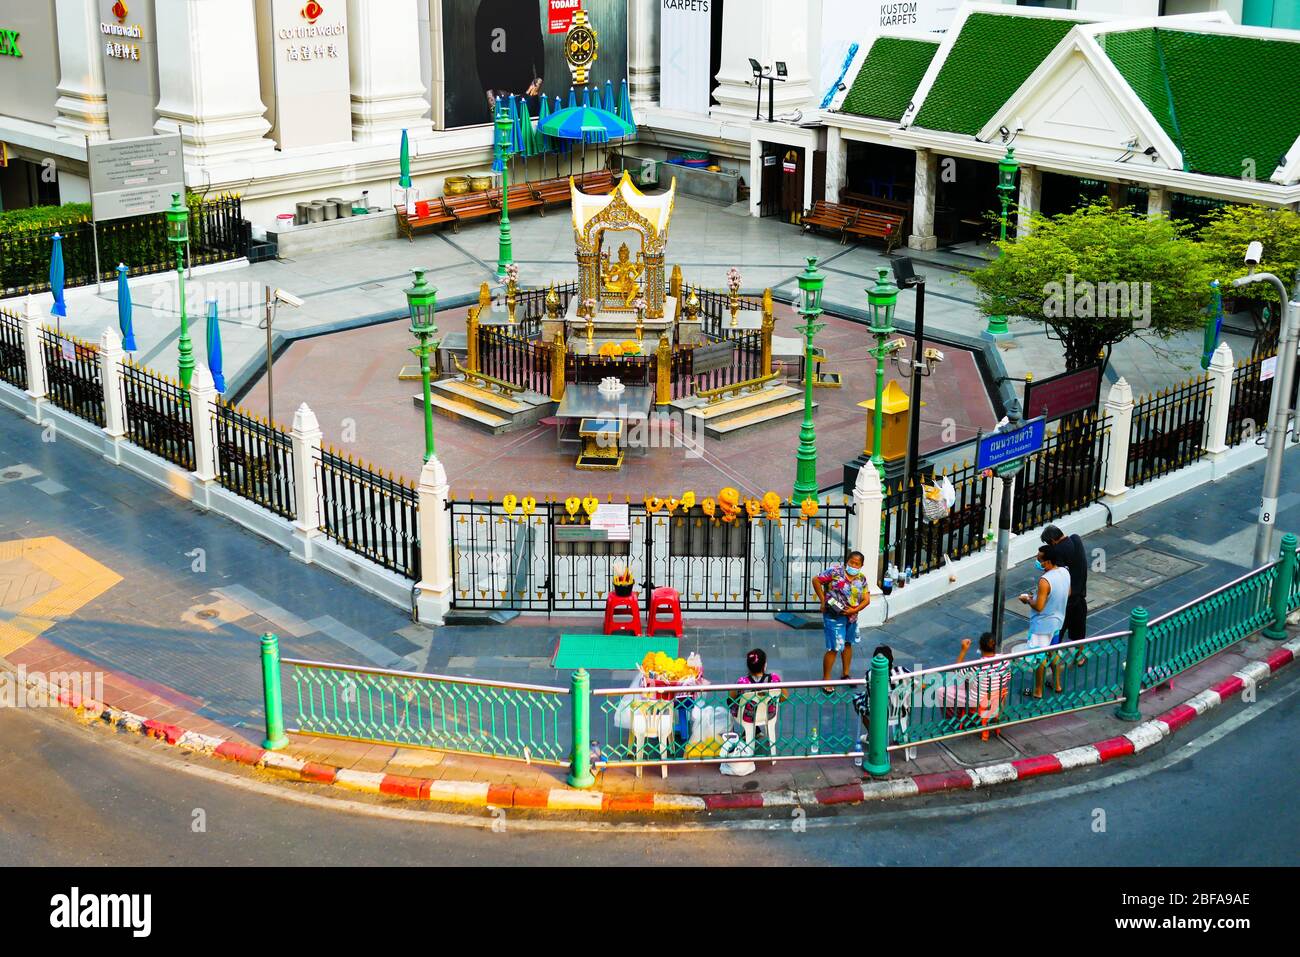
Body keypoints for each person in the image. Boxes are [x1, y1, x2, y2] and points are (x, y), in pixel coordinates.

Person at [813, 551, 871, 693]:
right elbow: (816, 580)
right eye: (851, 562)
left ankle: (845, 674)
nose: (853, 565)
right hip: (833, 616)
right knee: (834, 647)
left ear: (861, 565)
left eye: (857, 564)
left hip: (851, 618)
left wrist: (854, 610)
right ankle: (826, 680)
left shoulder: (861, 579)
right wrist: (822, 600)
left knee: (847, 644)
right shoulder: (835, 572)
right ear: (847, 561)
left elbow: (867, 599)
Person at [1017, 544, 1070, 699]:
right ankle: (1057, 684)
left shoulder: (1044, 581)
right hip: (1058, 621)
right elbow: (1068, 592)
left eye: (1040, 559)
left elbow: (1039, 606)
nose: (1037, 561)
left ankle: (1038, 690)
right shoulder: (1065, 572)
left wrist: (1028, 600)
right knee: (1053, 652)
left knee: (1039, 657)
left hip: (1042, 626)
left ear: (1048, 562)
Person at [1042, 524, 1088, 665]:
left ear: (1052, 541)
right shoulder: (1076, 539)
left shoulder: (1057, 552)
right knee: (1079, 631)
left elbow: (1056, 577)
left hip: (1064, 603)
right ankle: (1080, 657)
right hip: (1080, 596)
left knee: (1056, 636)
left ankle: (1053, 663)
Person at [729, 649, 787, 759]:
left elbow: (730, 698)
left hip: (747, 717)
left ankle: (749, 732)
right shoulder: (774, 679)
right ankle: (756, 731)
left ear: (748, 666)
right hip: (768, 715)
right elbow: (784, 696)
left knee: (733, 704)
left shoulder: (742, 682)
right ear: (764, 665)